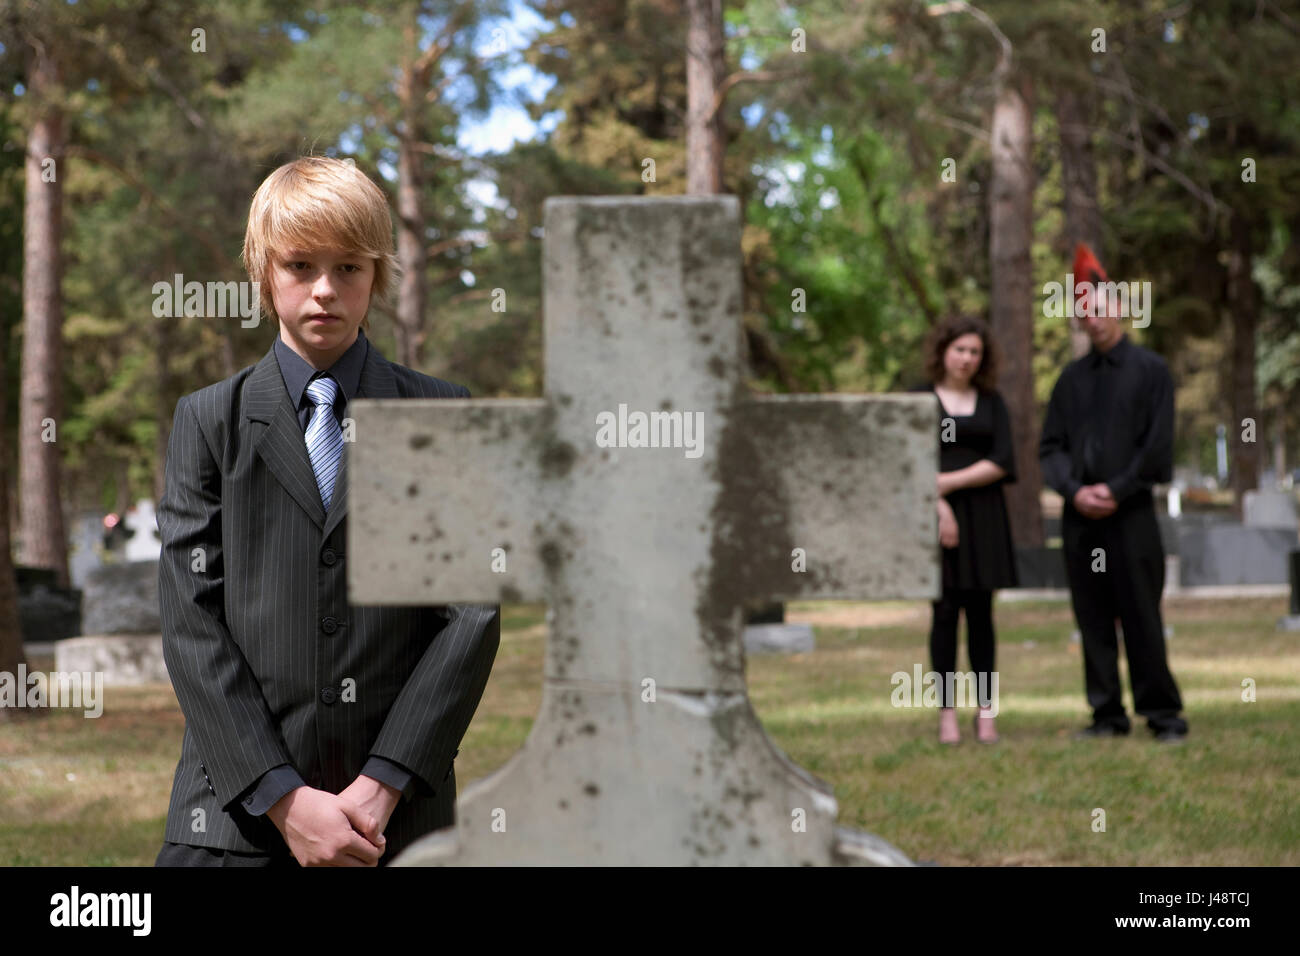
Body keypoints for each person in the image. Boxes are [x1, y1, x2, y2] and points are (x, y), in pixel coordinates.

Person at [155, 157, 501, 867]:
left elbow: (468, 615)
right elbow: (192, 622)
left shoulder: (441, 414)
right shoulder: (207, 422)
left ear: (377, 275)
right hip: (234, 823)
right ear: (262, 272)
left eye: (350, 267)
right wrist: (283, 796)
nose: (324, 290)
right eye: (301, 264)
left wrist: (382, 785)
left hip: (395, 828)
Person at [1039, 280, 1188, 743]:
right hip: (1080, 520)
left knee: (1142, 613)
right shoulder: (1070, 379)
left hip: (1132, 515)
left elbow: (1157, 446)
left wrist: (1116, 489)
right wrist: (1074, 490)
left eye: (1102, 309)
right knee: (1092, 617)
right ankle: (1106, 714)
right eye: (1085, 312)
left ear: (1121, 310)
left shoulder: (1151, 371)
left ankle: (1162, 713)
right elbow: (1051, 447)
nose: (1094, 318)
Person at [910, 314, 1018, 745]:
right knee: (943, 616)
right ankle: (947, 715)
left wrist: (950, 482)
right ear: (942, 351)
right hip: (933, 518)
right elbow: (906, 459)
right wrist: (940, 506)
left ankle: (987, 712)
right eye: (960, 350)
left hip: (984, 519)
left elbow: (1004, 459)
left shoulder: (992, 402)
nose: (967, 359)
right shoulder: (919, 401)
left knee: (981, 618)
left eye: (975, 351)